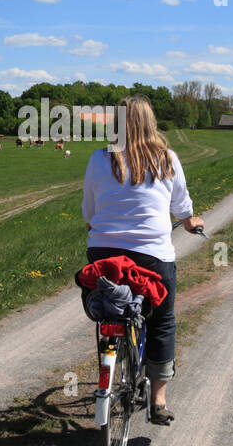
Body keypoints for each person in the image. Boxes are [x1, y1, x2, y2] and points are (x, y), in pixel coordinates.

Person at [81, 96, 203, 424]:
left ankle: (111, 351)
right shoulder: (167, 159)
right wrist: (192, 223)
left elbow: (89, 212)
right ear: (151, 123)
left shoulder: (99, 158)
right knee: (161, 320)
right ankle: (158, 401)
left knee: (111, 310)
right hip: (152, 260)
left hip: (103, 256)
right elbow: (182, 207)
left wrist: (100, 229)